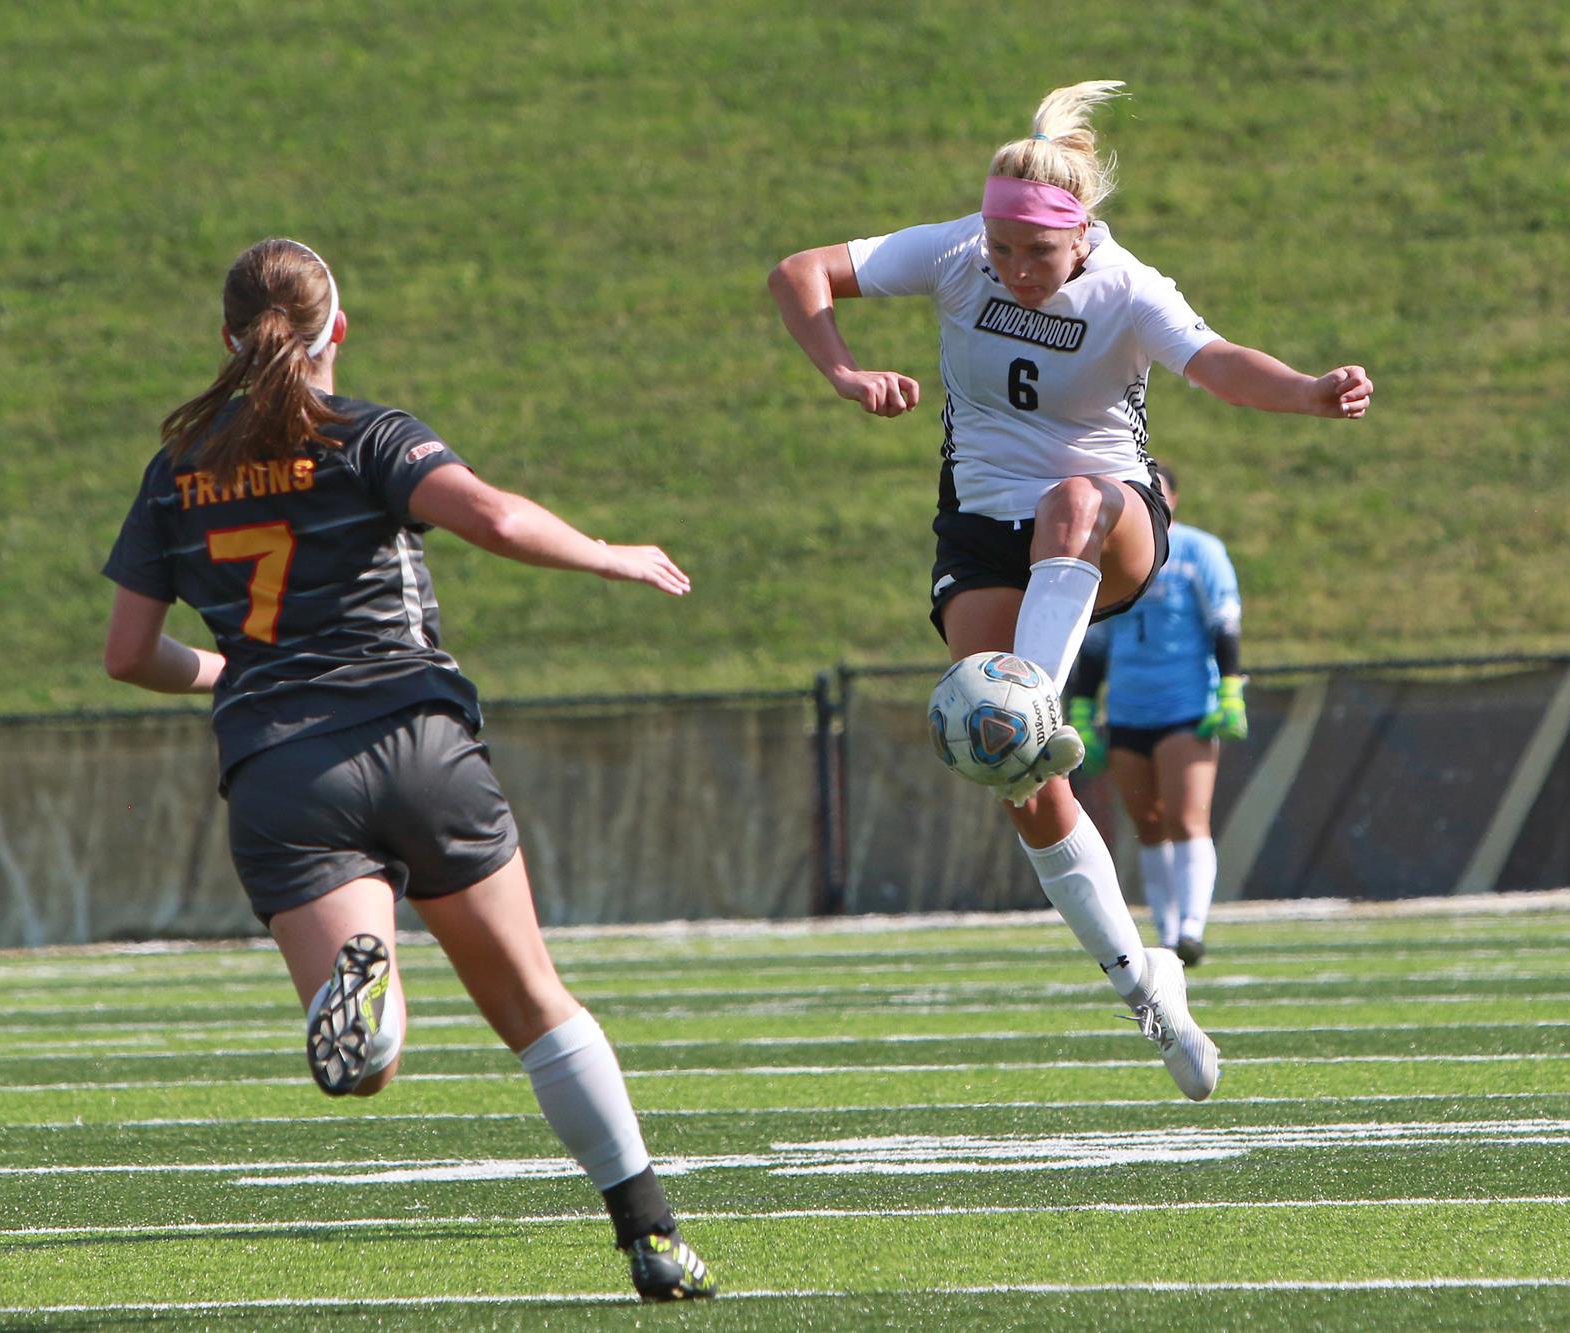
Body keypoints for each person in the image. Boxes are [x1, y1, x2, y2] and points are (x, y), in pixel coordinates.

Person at [100, 237, 715, 1302]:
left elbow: (125, 653)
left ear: (225, 340)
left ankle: (373, 972)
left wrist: (230, 671)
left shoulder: (177, 470)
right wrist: (609, 551)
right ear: (337, 327)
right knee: (533, 1001)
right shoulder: (366, 434)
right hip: (417, 742)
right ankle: (649, 1234)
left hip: (283, 772)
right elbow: (491, 516)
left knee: (365, 1069)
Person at [768, 81, 1371, 1102]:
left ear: (1079, 232)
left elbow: (1215, 362)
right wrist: (841, 372)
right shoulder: (960, 250)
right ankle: (1143, 988)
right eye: (1000, 250)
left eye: (1031, 255)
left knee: (1070, 498)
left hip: (1110, 517)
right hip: (978, 531)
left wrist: (1306, 391)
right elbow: (800, 273)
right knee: (1018, 775)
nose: (1009, 270)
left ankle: (1036, 696)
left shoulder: (1127, 286)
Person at [1065, 463, 1243, 966]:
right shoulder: (1114, 558)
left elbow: (1224, 622)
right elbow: (1094, 642)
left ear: (1175, 500)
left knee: (1188, 817)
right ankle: (1167, 932)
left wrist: (1229, 690)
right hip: (1125, 709)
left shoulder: (1198, 551)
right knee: (1147, 822)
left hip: (1185, 707)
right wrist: (1081, 709)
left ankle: (1192, 927)